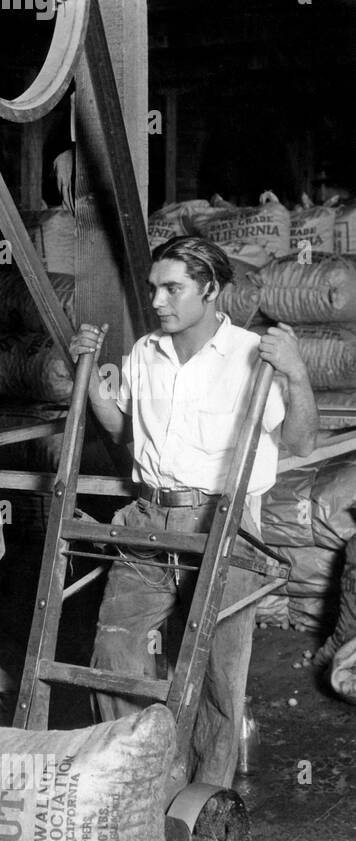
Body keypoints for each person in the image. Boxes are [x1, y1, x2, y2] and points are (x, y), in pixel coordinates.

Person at [72, 235, 319, 789]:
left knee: (214, 674)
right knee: (112, 651)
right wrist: (93, 388)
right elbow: (125, 440)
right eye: (154, 287)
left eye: (173, 288)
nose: (158, 300)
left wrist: (298, 373)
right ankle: (136, 781)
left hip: (221, 524)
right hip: (147, 519)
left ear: (211, 290)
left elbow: (302, 442)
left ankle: (206, 802)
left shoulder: (252, 354)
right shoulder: (144, 352)